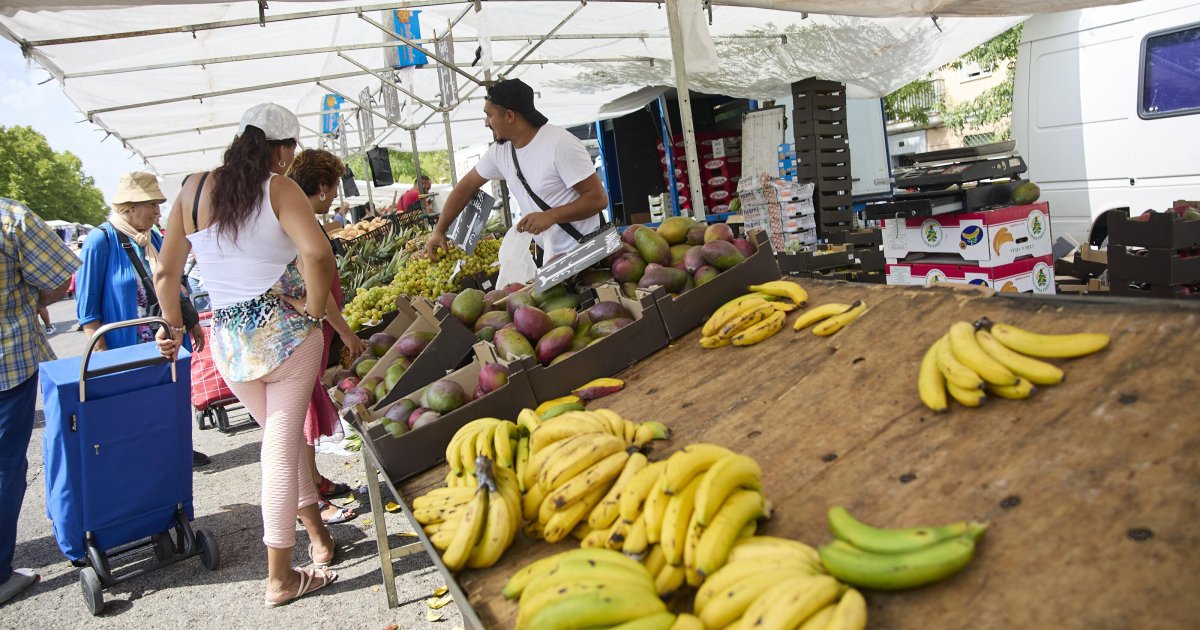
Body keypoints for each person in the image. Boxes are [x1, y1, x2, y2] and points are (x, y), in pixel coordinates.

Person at [152, 102, 339, 606]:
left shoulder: (192, 189)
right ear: (282, 149)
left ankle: (319, 540)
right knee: (279, 450)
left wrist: (172, 326)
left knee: (283, 439)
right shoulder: (280, 188)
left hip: (230, 344)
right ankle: (280, 578)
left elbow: (166, 273)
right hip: (287, 337)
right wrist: (314, 308)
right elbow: (317, 253)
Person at [76, 172, 210, 467]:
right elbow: (88, 308)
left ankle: (177, 449)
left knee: (171, 397)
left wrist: (192, 322)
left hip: (166, 340)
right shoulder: (101, 240)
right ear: (130, 206)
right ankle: (146, 460)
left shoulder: (155, 237)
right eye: (152, 204)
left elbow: (173, 283)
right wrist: (102, 354)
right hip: (127, 346)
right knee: (135, 406)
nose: (158, 211)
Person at [425, 78, 607, 263]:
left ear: (510, 116)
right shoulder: (500, 152)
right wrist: (439, 230)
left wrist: (550, 216)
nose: (486, 123)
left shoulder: (559, 144)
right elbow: (467, 186)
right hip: (551, 257)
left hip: (587, 250)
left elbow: (598, 199)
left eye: (489, 115)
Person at [0, 199, 78, 605]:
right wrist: (29, 297)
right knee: (4, 465)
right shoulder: (10, 218)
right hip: (7, 360)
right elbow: (59, 279)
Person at [286, 148, 368, 524]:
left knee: (307, 406)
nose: (335, 195)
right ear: (321, 186)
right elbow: (314, 286)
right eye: (334, 188)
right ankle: (311, 499)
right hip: (308, 328)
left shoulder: (302, 218)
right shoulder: (298, 222)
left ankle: (315, 481)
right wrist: (347, 334)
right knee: (303, 415)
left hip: (314, 328)